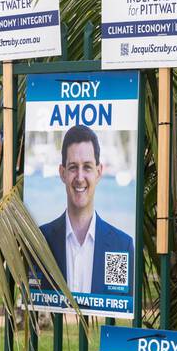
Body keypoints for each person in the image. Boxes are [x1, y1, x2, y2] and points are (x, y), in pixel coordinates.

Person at [39, 124, 135, 297]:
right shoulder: (40, 240)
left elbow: (118, 302)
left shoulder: (120, 246)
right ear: (62, 173)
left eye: (87, 167)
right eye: (73, 167)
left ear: (99, 172)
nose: (80, 177)